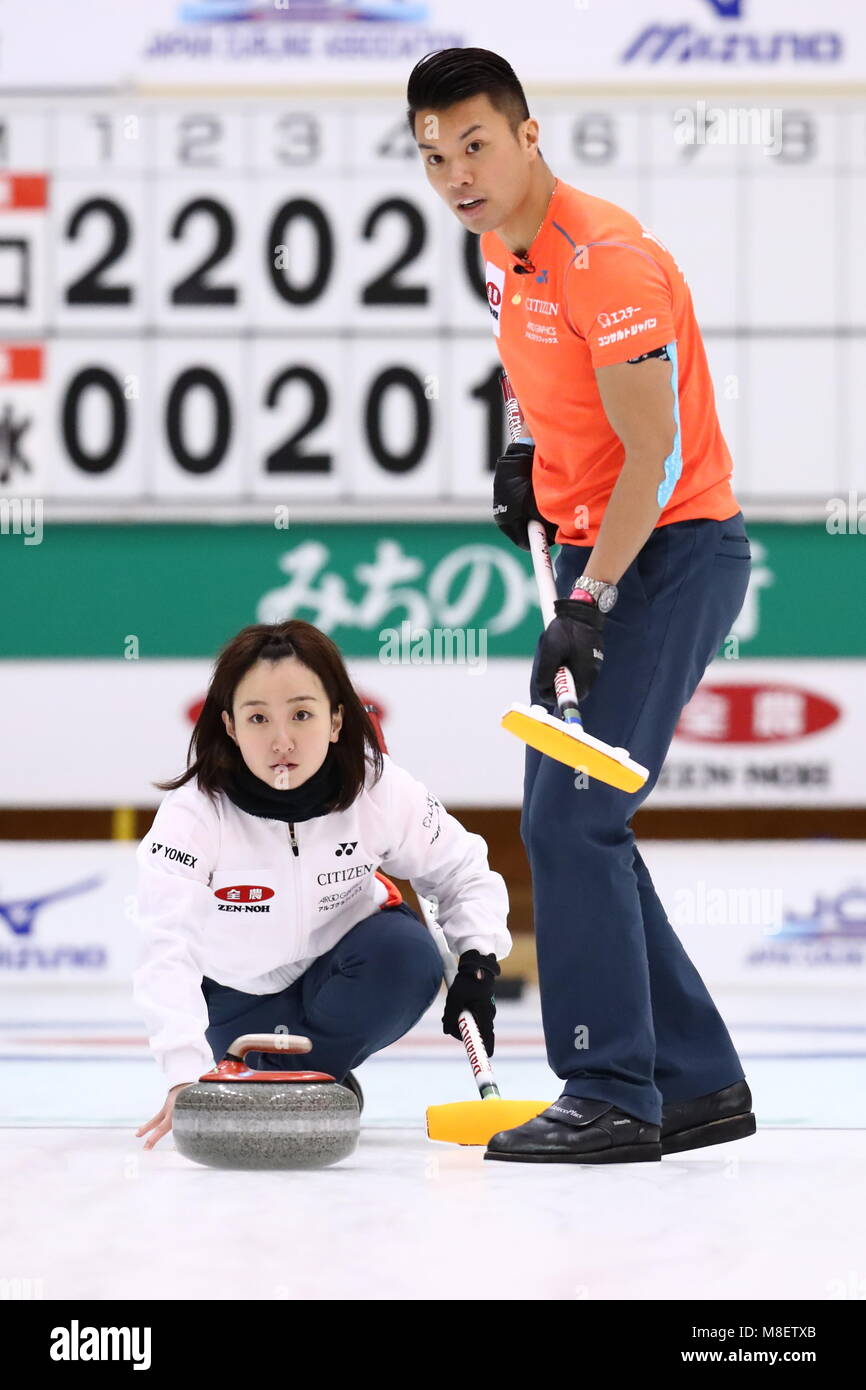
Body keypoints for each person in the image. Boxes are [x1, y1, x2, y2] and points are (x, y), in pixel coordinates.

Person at [407, 47, 756, 1164]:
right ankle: (691, 1081)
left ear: (525, 135)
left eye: (472, 144)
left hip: (662, 555)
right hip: (587, 553)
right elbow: (534, 368)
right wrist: (524, 451)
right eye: (432, 155)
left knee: (568, 819)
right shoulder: (496, 246)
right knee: (581, 821)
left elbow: (652, 455)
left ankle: (609, 1089)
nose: (455, 172)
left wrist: (591, 597)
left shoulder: (606, 262)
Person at [133, 619, 510, 1151]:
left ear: (336, 721)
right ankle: (296, 1077)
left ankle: (300, 1078)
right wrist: (182, 1076)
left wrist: (477, 962)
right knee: (234, 1042)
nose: (281, 740)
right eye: (258, 717)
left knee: (407, 957)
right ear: (231, 726)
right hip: (239, 1000)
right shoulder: (194, 815)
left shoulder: (377, 787)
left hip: (351, 969)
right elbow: (163, 944)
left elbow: (461, 870)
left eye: (302, 714)